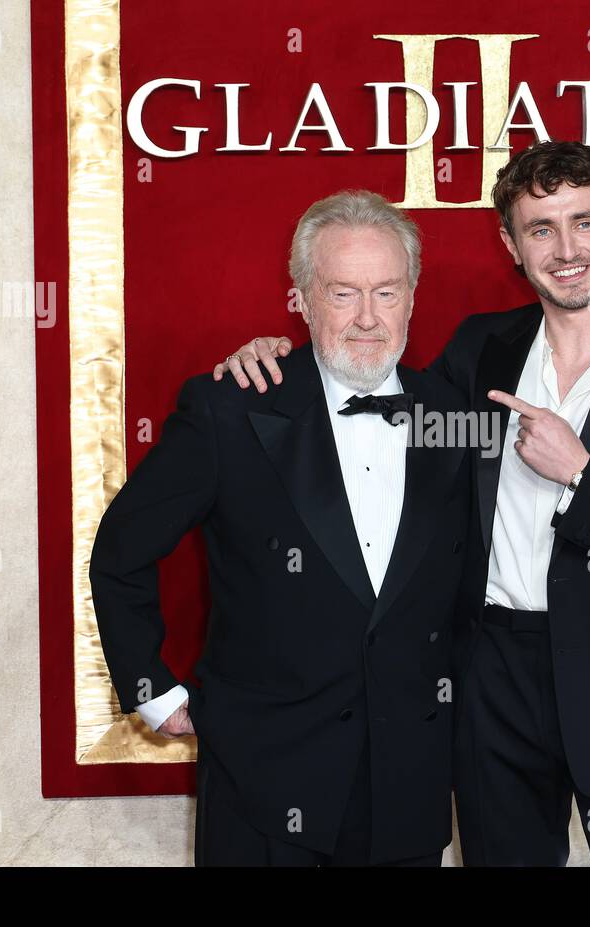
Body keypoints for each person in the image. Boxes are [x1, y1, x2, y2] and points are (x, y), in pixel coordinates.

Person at [215, 141, 590, 865]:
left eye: (584, 223)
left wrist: (582, 477)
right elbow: (375, 409)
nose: (566, 249)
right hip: (489, 680)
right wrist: (278, 366)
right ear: (511, 244)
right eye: (540, 229)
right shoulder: (481, 350)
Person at [91, 190, 470, 866]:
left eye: (386, 292)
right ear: (301, 298)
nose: (366, 319)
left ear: (412, 296)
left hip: (406, 794)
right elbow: (120, 550)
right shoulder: (231, 408)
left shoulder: (455, 416)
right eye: (342, 293)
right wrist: (151, 688)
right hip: (263, 786)